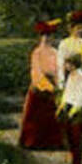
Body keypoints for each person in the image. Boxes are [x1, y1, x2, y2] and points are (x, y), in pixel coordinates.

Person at [19, 19, 63, 150]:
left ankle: (53, 143)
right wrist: (46, 85)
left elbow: (58, 70)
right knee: (36, 118)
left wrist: (57, 85)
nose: (47, 38)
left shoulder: (55, 52)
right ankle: (33, 142)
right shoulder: (37, 52)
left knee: (53, 116)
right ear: (40, 37)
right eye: (44, 36)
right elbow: (36, 71)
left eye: (49, 36)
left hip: (52, 87)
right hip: (40, 88)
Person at [57, 53, 82, 164]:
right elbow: (67, 93)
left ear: (74, 64)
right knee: (69, 136)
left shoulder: (81, 77)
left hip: (79, 109)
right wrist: (62, 105)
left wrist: (75, 109)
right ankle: (73, 162)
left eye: (68, 64)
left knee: (77, 138)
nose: (66, 66)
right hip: (70, 107)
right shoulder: (71, 76)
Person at [58, 10, 82, 90]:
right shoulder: (64, 43)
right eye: (78, 28)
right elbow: (60, 63)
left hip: (81, 77)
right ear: (71, 29)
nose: (81, 30)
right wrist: (61, 81)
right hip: (69, 77)